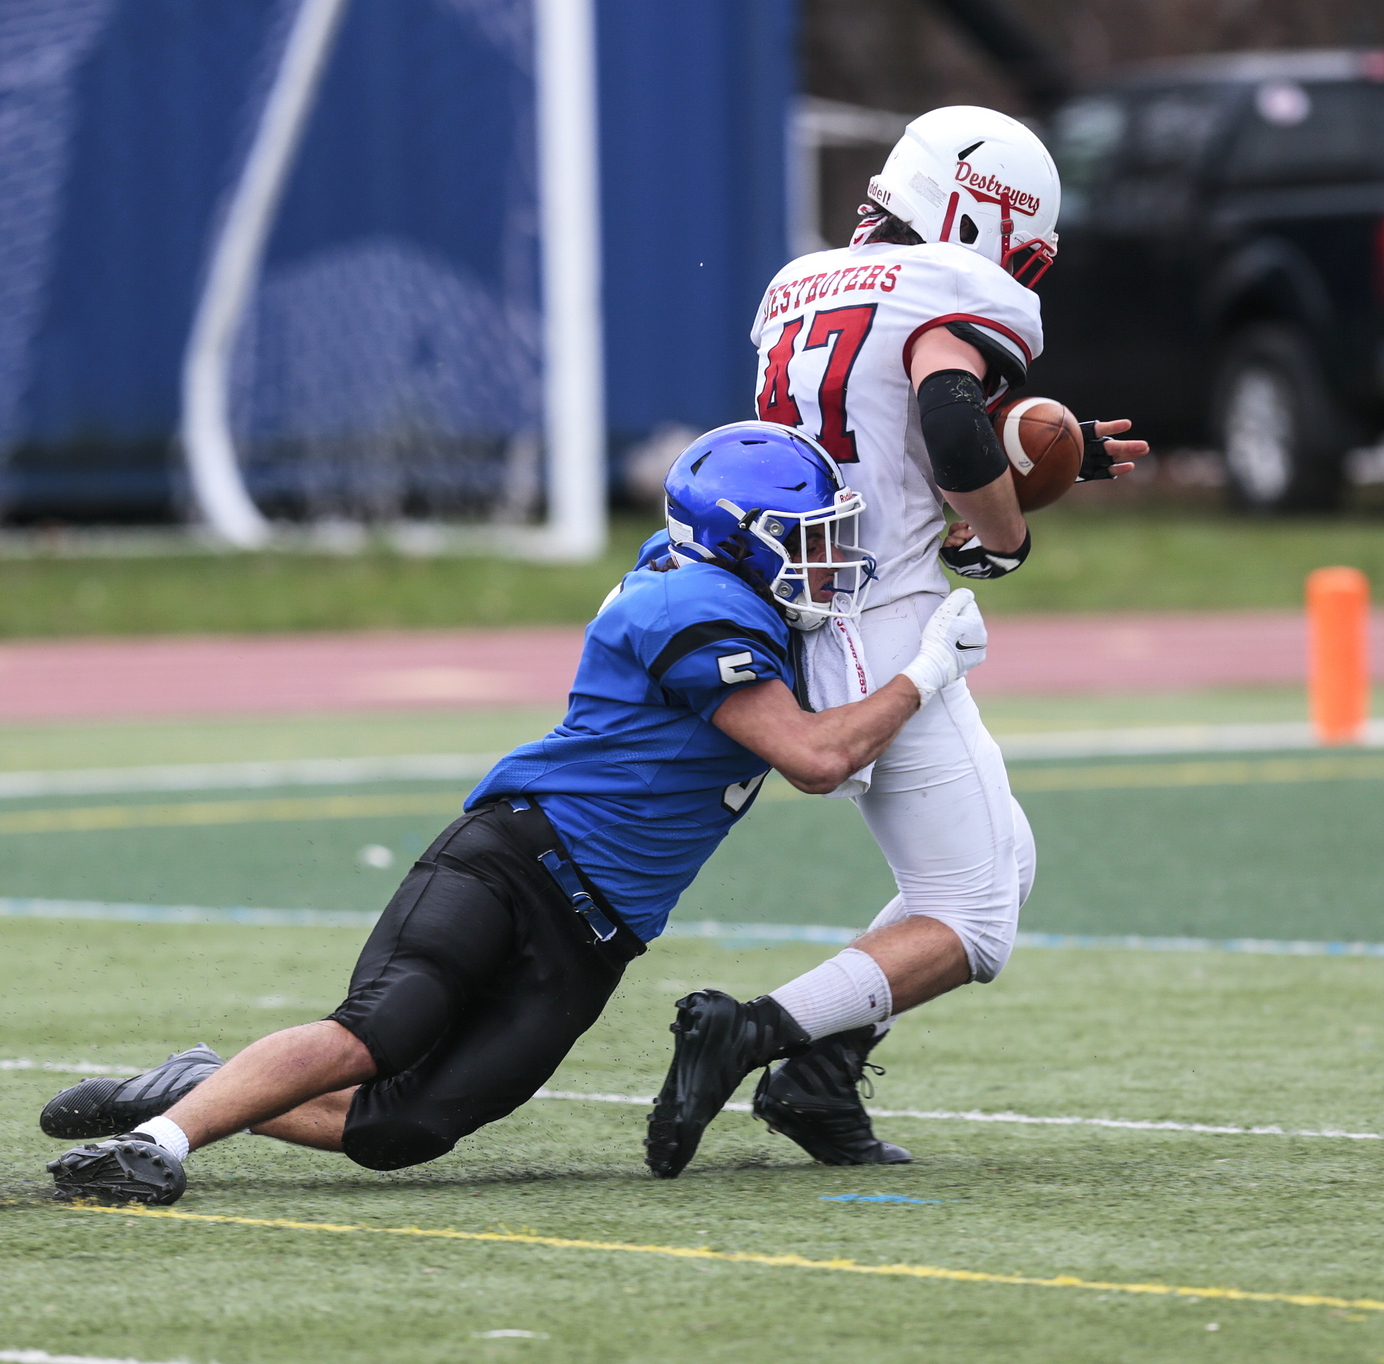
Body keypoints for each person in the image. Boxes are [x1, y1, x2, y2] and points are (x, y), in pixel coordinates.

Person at [42, 422, 992, 1206]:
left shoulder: (725, 581)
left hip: (601, 932)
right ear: (739, 539)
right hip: (520, 855)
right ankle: (157, 1144)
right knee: (379, 1031)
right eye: (805, 537)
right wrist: (926, 671)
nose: (829, 557)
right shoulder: (691, 604)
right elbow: (816, 760)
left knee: (405, 1128)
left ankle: (200, 1082)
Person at [643, 105, 1150, 1179]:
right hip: (889, 617)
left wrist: (1048, 457)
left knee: (1001, 859)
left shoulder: (798, 284)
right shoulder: (948, 290)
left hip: (817, 598)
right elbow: (951, 420)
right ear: (977, 211)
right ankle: (752, 1030)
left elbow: (879, 434)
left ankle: (820, 1077)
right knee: (974, 921)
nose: (1021, 268)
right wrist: (1002, 539)